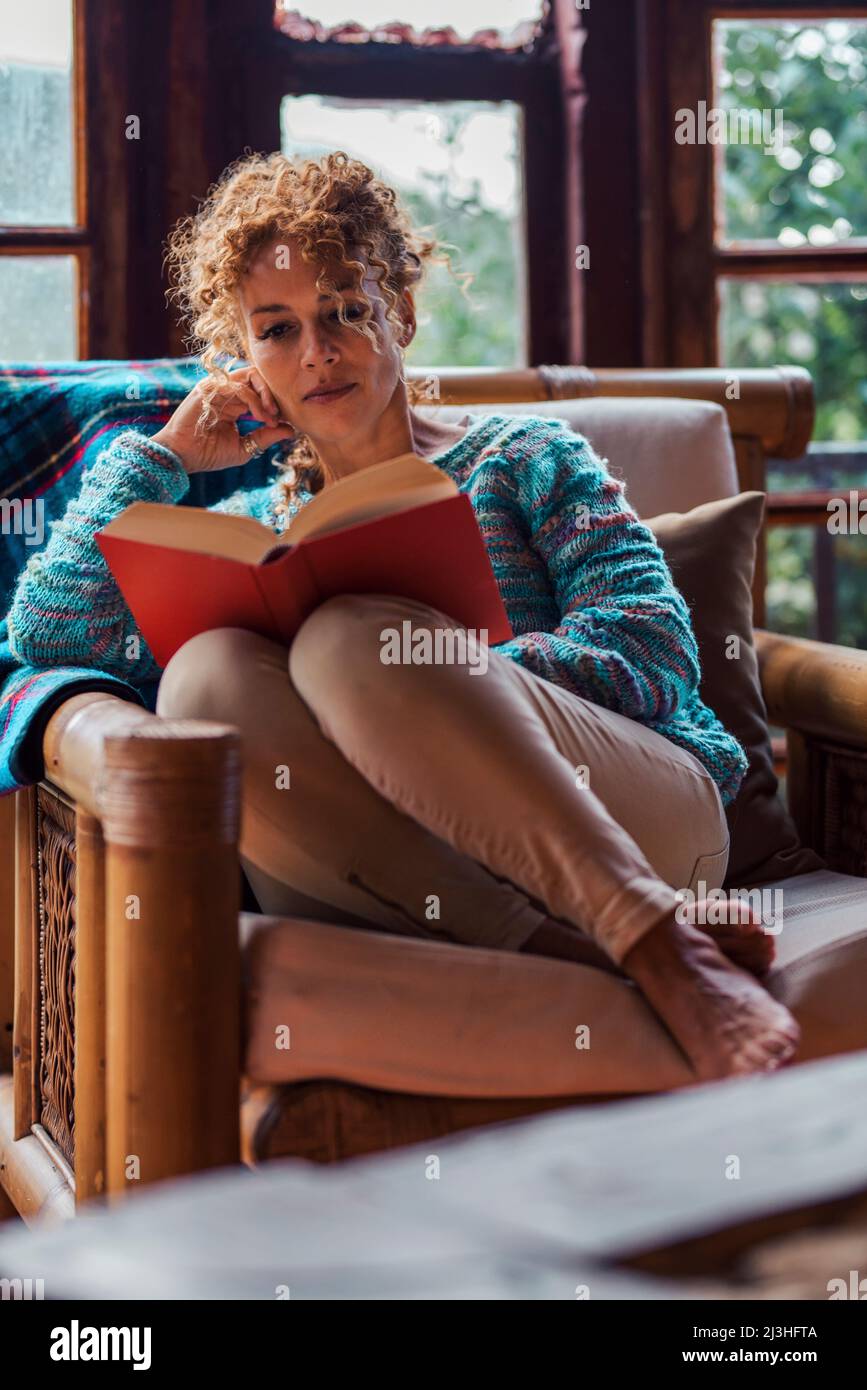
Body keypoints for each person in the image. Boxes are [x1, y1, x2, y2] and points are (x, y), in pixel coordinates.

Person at [7, 150, 800, 1082]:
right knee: (204, 671)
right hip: (395, 866)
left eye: (346, 310)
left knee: (354, 640)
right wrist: (166, 457)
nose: (318, 352)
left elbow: (656, 650)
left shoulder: (525, 455)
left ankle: (645, 928)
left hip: (631, 814)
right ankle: (585, 953)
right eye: (277, 330)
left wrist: (449, 680)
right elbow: (49, 636)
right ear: (244, 359)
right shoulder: (252, 529)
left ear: (402, 315)